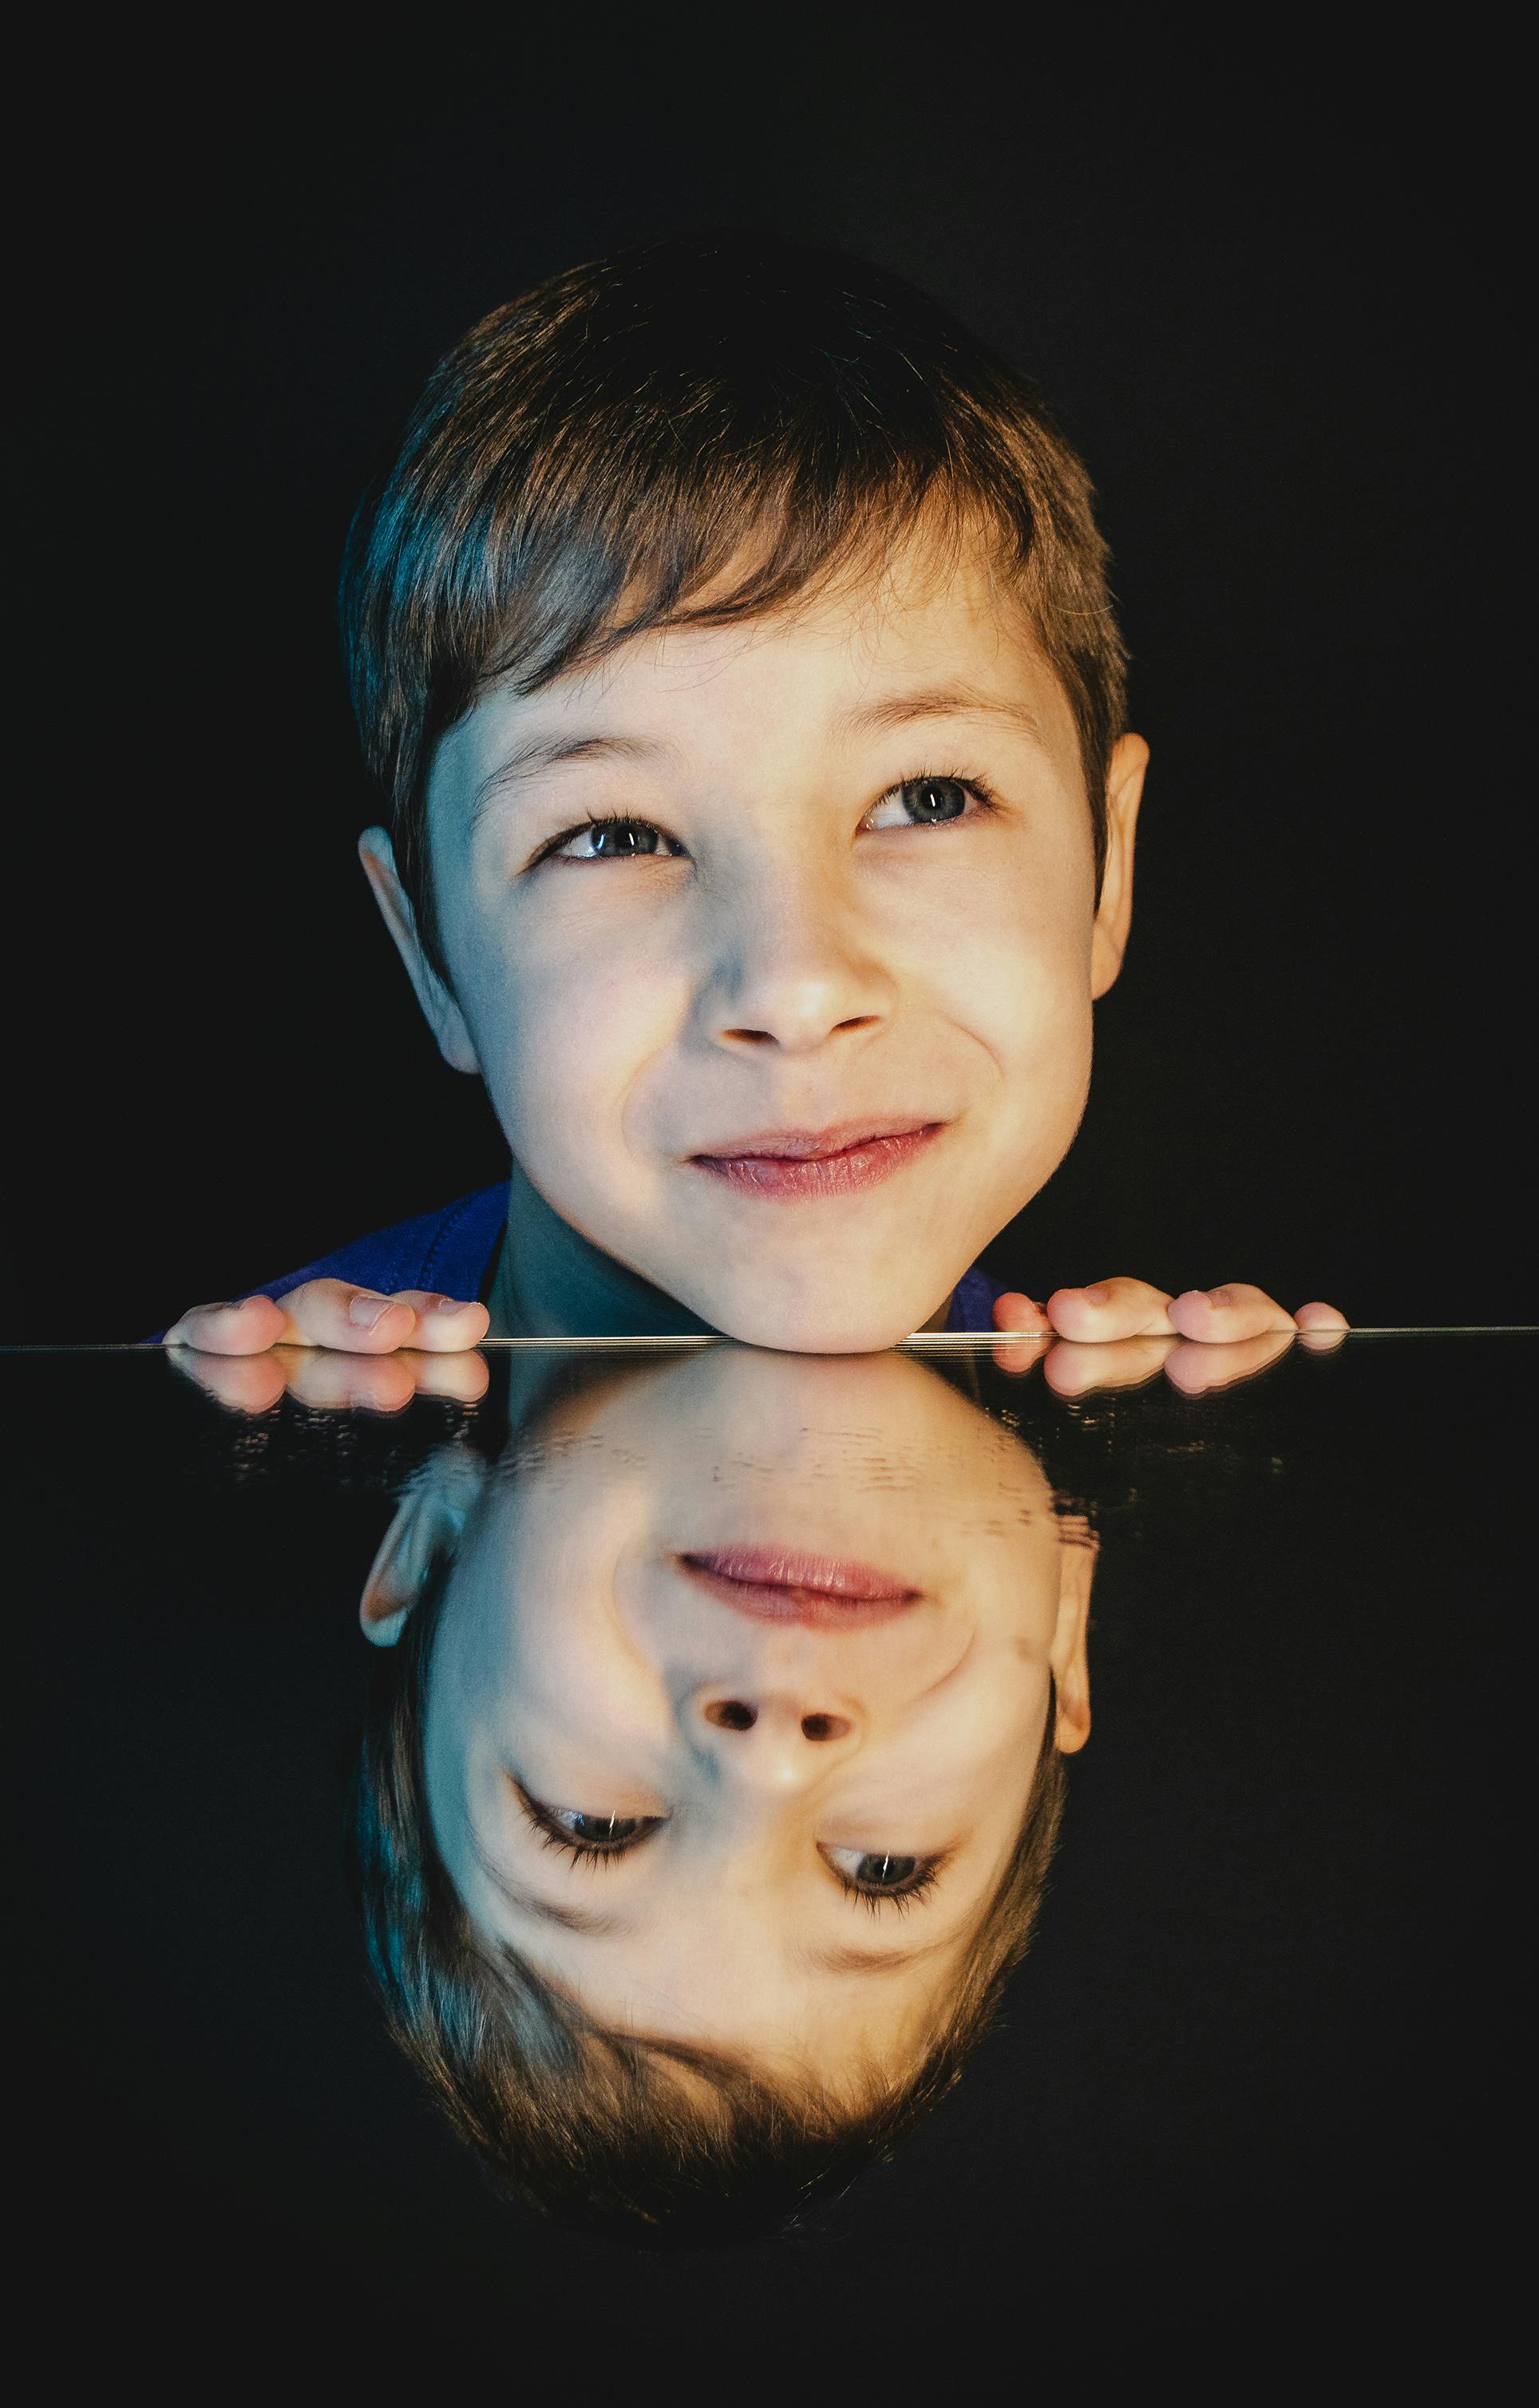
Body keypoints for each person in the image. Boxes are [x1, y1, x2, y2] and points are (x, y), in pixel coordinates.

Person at [161, 232, 1345, 1357]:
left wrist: (1180, 1515)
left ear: (1108, 873)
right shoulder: (272, 1445)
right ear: (429, 957)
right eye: (616, 835)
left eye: (928, 798)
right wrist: (307, 1515)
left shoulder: (1131, 1413)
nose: (796, 988)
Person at [351, 1339, 1094, 2236]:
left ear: (432, 1549)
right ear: (1065, 1619)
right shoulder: (1149, 1331)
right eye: (882, 1867)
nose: (769, 1762)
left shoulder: (310, 1340)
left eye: (593, 1825)